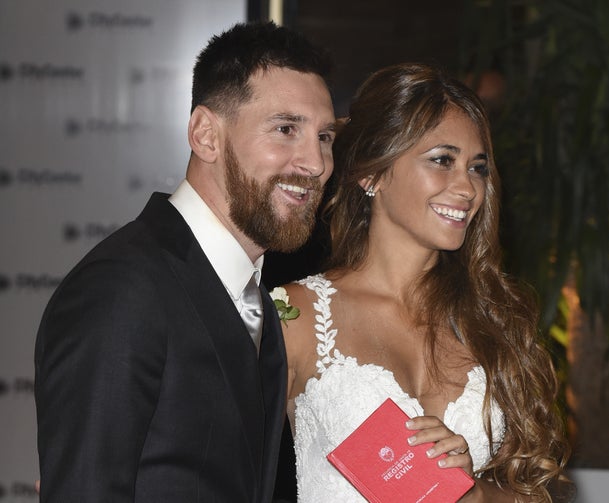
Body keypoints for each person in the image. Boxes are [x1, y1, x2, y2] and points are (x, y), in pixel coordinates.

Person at [34, 21, 336, 502]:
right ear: (205, 135)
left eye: (325, 137)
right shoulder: (122, 290)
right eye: (285, 129)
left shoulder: (256, 300)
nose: (316, 163)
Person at [280, 63, 572, 502]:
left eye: (477, 168)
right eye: (442, 160)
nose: (468, 189)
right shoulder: (292, 316)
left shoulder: (494, 317)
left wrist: (472, 494)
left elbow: (536, 491)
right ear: (371, 173)